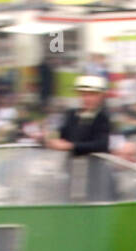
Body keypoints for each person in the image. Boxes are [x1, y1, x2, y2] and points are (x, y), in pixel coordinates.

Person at [47, 74, 115, 202]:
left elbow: (101, 144)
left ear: (101, 97)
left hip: (94, 176)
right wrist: (49, 139)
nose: (87, 98)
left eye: (92, 94)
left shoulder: (102, 118)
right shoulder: (72, 115)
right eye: (84, 94)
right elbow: (61, 135)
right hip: (71, 174)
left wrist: (71, 146)